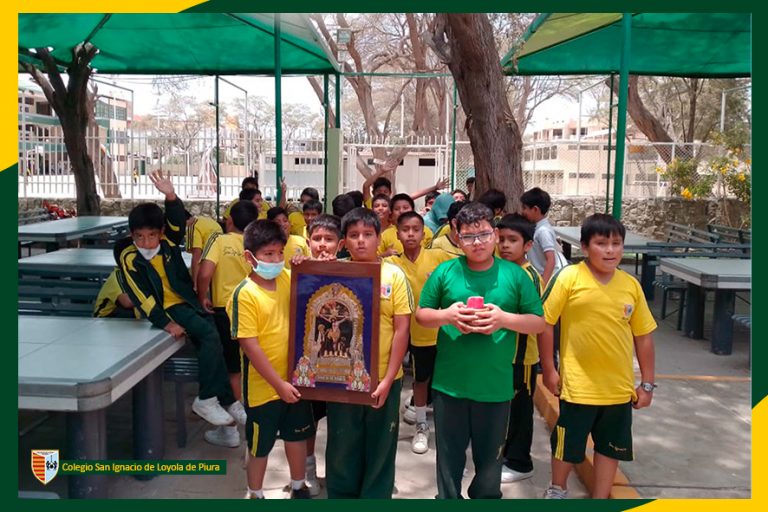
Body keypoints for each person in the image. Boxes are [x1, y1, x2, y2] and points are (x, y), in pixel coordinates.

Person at [415, 202, 544, 499]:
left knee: (490, 462)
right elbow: (422, 314)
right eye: (469, 236)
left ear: (495, 235)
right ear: (457, 238)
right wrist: (448, 316)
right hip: (449, 385)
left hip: (495, 387)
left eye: (484, 234)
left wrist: (503, 319)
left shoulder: (515, 275)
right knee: (448, 458)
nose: (477, 243)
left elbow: (538, 322)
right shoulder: (446, 271)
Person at [539, 213, 657, 499]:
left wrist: (647, 384)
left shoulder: (630, 285)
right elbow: (545, 323)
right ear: (584, 246)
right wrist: (549, 369)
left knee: (610, 447)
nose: (610, 250)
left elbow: (643, 337)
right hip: (577, 388)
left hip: (618, 389)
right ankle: (557, 490)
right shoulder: (569, 277)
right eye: (601, 243)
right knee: (567, 445)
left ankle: (600, 498)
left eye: (617, 243)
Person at [118, 170, 242, 429]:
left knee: (216, 335)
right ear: (131, 235)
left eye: (152, 235)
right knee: (208, 336)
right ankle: (206, 398)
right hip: (168, 308)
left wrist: (171, 196)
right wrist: (165, 322)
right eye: (139, 236)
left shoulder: (167, 244)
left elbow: (177, 223)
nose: (146, 242)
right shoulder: (129, 258)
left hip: (186, 300)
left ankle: (227, 399)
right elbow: (142, 298)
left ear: (161, 233)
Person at [325, 207, 413, 498]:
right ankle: (341, 496)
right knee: (342, 444)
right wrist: (302, 263)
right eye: (354, 235)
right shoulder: (332, 272)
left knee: (381, 445)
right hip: (340, 376)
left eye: (367, 234)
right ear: (344, 242)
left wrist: (388, 380)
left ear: (379, 237)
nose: (361, 240)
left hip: (383, 378)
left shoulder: (394, 275)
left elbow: (402, 330)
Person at [226, 219, 314, 499]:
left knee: (296, 436)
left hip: (295, 379)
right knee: (259, 446)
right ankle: (255, 493)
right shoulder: (244, 294)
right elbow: (250, 346)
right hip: (263, 389)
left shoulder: (288, 278)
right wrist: (278, 385)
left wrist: (305, 264)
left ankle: (298, 485)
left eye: (279, 253)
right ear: (249, 257)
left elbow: (316, 285)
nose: (276, 260)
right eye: (268, 254)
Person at [385, 211, 452, 454]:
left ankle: (443, 427)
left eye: (416, 229)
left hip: (439, 333)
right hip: (408, 333)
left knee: (441, 381)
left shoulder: (440, 257)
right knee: (416, 380)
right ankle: (419, 425)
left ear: (424, 233)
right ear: (397, 234)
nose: (411, 234)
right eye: (405, 230)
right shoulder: (391, 264)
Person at [196, 200, 260, 448]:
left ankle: (230, 431)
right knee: (249, 368)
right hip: (252, 309)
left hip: (224, 310)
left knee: (230, 369)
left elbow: (204, 272)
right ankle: (256, 426)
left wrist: (202, 295)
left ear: (229, 220)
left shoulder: (219, 241)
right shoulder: (254, 244)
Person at [290, 213, 344, 495]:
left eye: (329, 239)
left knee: (339, 419)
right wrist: (298, 267)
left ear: (340, 244)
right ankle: (308, 468)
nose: (322, 244)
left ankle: (339, 471)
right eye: (317, 238)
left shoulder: (351, 271)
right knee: (308, 419)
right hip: (308, 361)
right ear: (308, 241)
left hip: (340, 364)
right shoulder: (298, 270)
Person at [495, 214, 543, 483]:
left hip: (521, 358)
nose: (505, 245)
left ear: (527, 245)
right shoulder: (502, 269)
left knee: (521, 411)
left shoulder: (529, 276)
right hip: (502, 356)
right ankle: (504, 455)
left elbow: (537, 320)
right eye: (501, 239)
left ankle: (520, 462)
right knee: (506, 410)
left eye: (512, 240)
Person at [520, 187, 568, 285]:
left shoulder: (543, 231)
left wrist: (543, 285)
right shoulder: (538, 228)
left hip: (549, 278)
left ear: (535, 209)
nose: (522, 212)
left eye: (524, 208)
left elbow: (551, 259)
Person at [93, 237, 139, 319]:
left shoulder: (137, 275)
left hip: (128, 322)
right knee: (127, 311)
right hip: (104, 321)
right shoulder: (118, 276)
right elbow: (127, 302)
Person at [185, 210, 223, 288]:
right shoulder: (206, 221)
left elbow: (196, 256)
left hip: (209, 260)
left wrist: (195, 283)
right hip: (221, 257)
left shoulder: (193, 226)